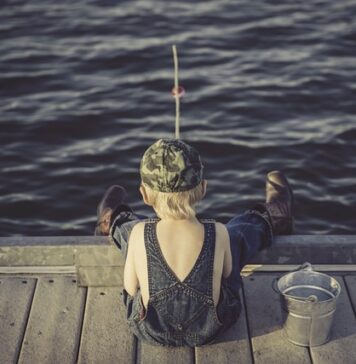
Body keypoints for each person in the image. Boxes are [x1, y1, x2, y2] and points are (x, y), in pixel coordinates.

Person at [95, 138, 293, 347]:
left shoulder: (138, 233)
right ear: (203, 188)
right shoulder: (218, 231)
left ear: (144, 194)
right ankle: (269, 216)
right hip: (212, 329)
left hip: (151, 330)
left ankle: (114, 219)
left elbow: (130, 287)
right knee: (234, 237)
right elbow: (228, 275)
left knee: (133, 234)